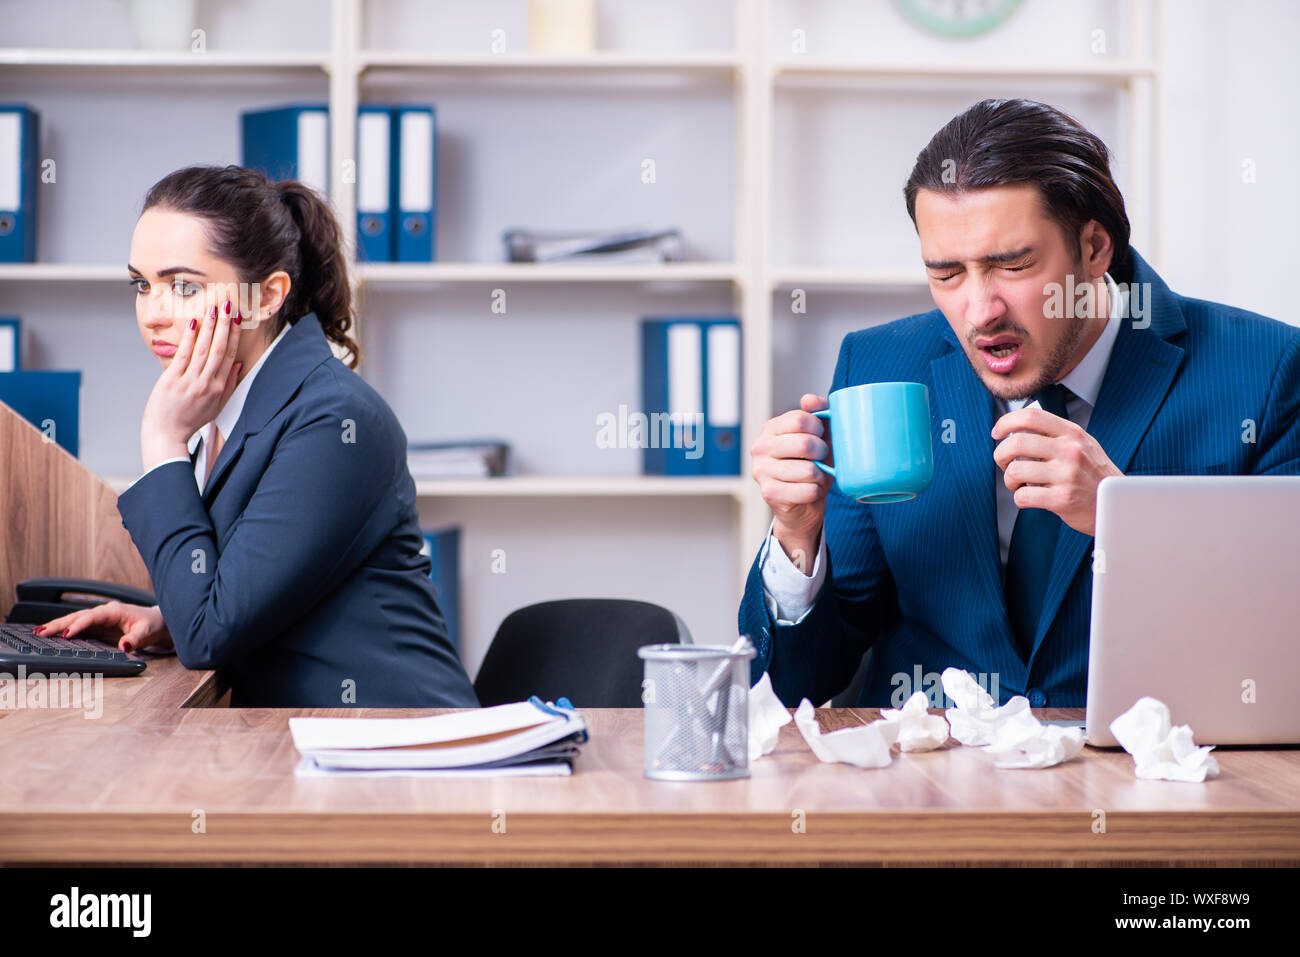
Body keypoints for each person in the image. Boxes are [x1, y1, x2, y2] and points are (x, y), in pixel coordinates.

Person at [741, 98, 1300, 709]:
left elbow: (1282, 639)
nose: (980, 311)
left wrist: (1126, 522)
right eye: (946, 273)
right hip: (929, 784)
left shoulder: (1265, 373)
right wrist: (796, 536)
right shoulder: (880, 368)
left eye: (1011, 264)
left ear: (1093, 248)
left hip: (1150, 780)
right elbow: (798, 685)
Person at [34, 165, 479, 708]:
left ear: (267, 297)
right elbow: (235, 598)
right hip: (308, 741)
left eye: (184, 287)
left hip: (396, 748)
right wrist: (164, 617)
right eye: (142, 285)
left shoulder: (335, 421)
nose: (152, 314)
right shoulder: (233, 408)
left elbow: (209, 635)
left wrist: (162, 440)